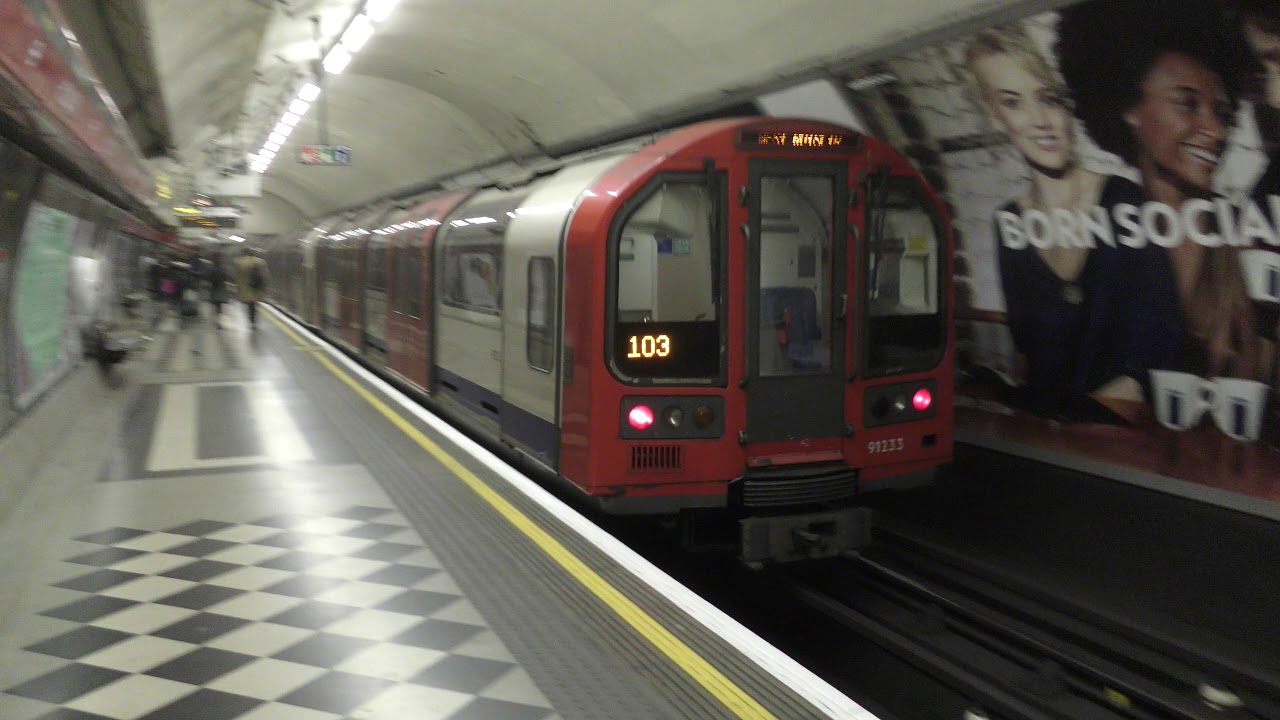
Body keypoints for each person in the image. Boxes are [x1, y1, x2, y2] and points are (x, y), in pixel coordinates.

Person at [963, 25, 1181, 419]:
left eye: (1047, 99)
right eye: (1013, 103)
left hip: (1114, 444)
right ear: (994, 116)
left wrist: (1075, 430)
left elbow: (1157, 349)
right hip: (1050, 444)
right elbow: (1028, 354)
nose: (1039, 120)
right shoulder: (1009, 223)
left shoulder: (1123, 200)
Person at [1057, 0, 1272, 385]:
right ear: (1129, 107)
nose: (1217, 132)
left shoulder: (1245, 232)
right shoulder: (1102, 227)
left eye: (1221, 114)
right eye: (1187, 104)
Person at [233, 246, 269, 328]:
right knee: (254, 304)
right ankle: (253, 320)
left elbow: (237, 276)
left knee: (250, 305)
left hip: (245, 287)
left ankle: (252, 320)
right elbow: (265, 276)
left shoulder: (238, 262)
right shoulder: (261, 262)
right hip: (257, 287)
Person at [206, 252, 230, 328]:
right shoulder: (223, 267)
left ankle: (217, 322)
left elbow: (208, 277)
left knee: (217, 306)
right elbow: (226, 277)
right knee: (219, 306)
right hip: (221, 287)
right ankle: (219, 323)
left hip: (214, 287)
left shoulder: (211, 267)